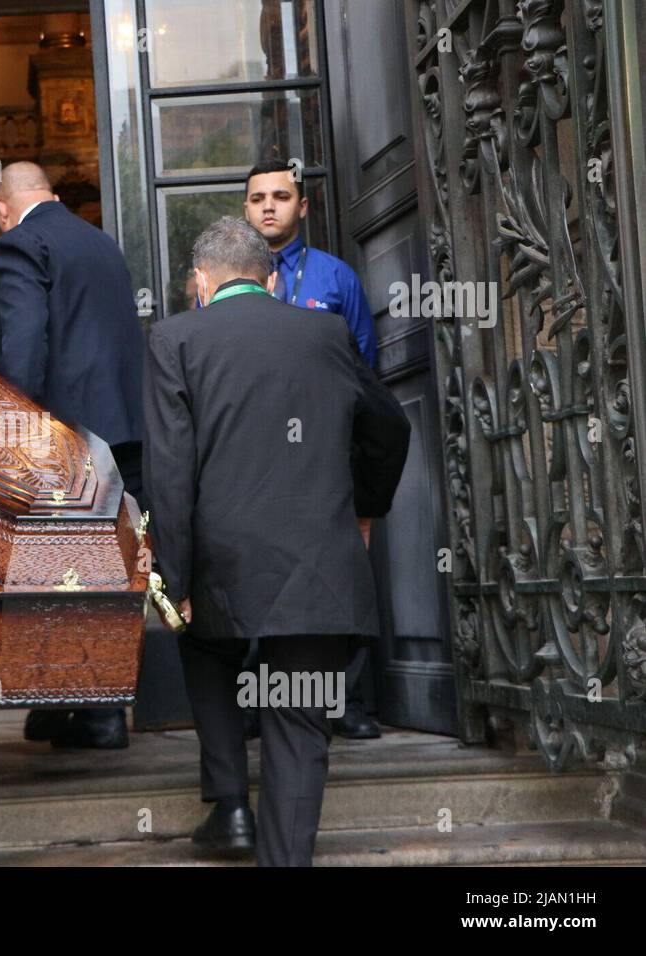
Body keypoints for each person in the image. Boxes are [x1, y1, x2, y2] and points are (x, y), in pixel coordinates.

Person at [143, 217, 409, 866]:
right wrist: (366, 512)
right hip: (318, 561)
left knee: (207, 651)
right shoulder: (324, 331)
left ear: (200, 284)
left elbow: (169, 472)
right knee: (299, 724)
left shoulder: (173, 337)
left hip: (218, 558)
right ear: (271, 281)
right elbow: (389, 428)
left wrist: (173, 583)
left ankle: (231, 802)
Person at [0, 160, 144, 750]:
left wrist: (14, 430)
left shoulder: (18, 245)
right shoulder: (102, 243)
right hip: (123, 436)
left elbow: (23, 350)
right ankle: (76, 707)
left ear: (2, 207)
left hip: (64, 444)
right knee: (105, 571)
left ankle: (84, 710)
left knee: (54, 576)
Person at [244, 156, 384, 739]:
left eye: (281, 196)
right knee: (258, 573)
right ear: (245, 209)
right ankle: (257, 702)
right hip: (254, 457)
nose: (269, 205)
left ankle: (344, 702)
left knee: (339, 574)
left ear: (303, 206)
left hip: (327, 454)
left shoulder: (335, 277)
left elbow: (366, 368)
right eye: (258, 198)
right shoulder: (227, 281)